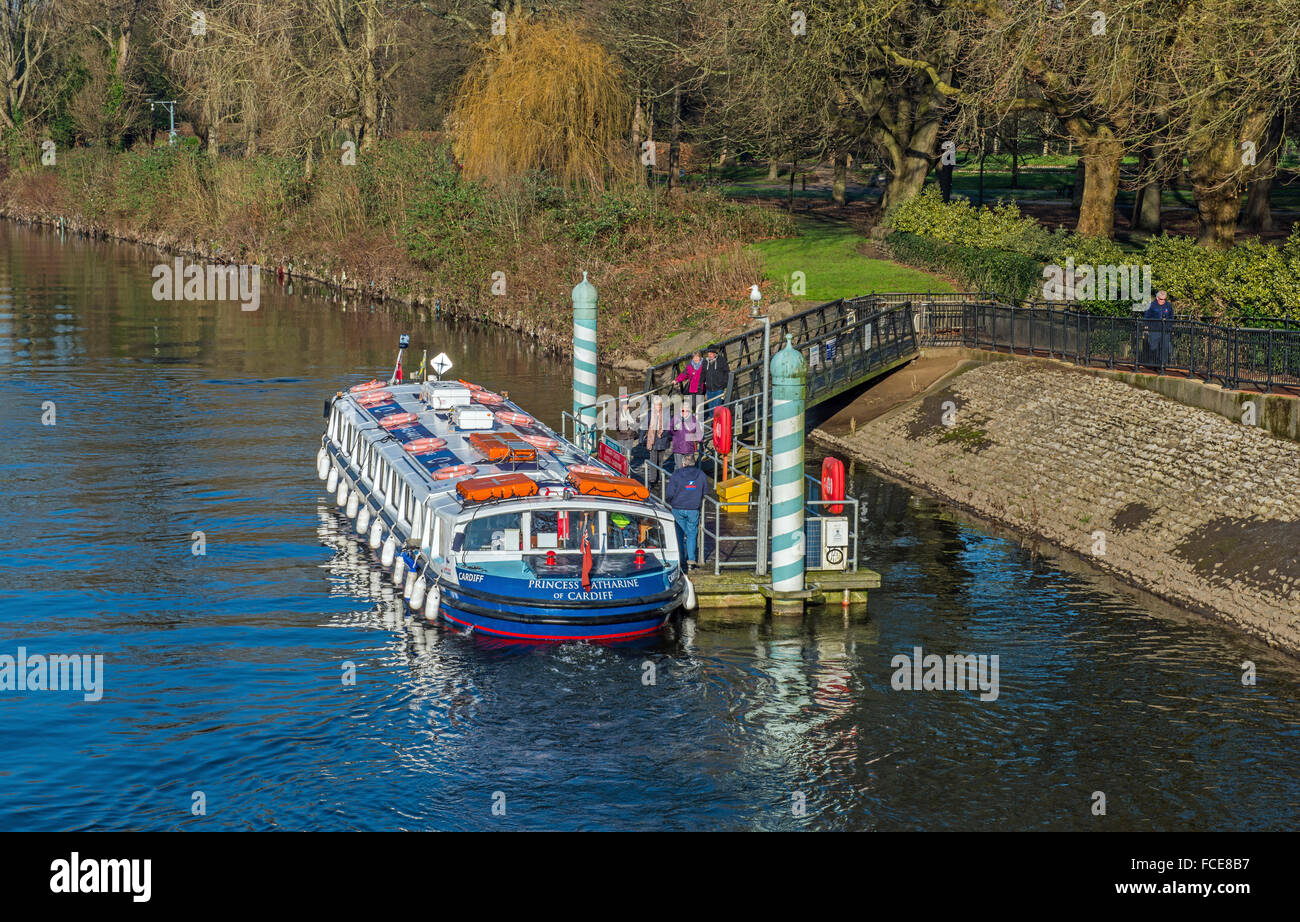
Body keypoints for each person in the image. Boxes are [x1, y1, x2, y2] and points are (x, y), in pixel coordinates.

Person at [665, 454, 707, 568]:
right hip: (693, 508)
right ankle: (691, 559)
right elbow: (705, 491)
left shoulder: (677, 474)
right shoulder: (701, 475)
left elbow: (669, 493)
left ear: (683, 464)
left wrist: (671, 501)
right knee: (692, 534)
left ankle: (681, 558)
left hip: (678, 508)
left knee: (679, 534)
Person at [639, 396, 672, 490]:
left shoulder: (666, 415)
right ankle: (653, 480)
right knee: (653, 460)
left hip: (662, 439)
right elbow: (645, 426)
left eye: (659, 405)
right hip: (653, 439)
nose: (657, 407)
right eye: (656, 405)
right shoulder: (650, 414)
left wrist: (664, 434)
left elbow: (669, 428)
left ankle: (658, 479)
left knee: (660, 461)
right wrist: (641, 437)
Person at [1144, 290, 1174, 369]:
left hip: (1165, 330)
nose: (1163, 301)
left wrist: (1169, 326)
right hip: (1154, 330)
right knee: (1153, 347)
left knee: (1164, 347)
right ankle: (1153, 364)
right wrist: (1146, 326)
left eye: (1164, 299)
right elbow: (1147, 316)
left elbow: (1171, 316)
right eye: (1161, 299)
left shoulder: (1168, 305)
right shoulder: (1152, 305)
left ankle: (1162, 365)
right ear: (1157, 298)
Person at [702, 344, 730, 424]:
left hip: (719, 389)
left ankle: (718, 424)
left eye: (711, 353)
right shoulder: (705, 362)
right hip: (709, 390)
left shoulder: (721, 360)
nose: (709, 355)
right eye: (708, 353)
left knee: (717, 408)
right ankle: (713, 425)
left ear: (715, 353)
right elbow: (703, 374)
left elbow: (727, 372)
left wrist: (724, 384)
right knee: (711, 409)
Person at [670, 402, 702, 469]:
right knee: (679, 468)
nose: (684, 412)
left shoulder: (693, 419)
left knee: (690, 468)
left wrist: (699, 439)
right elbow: (669, 431)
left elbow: (699, 433)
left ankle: (689, 479)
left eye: (687, 410)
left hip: (689, 448)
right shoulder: (676, 418)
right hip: (678, 448)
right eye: (683, 410)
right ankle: (678, 479)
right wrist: (674, 429)